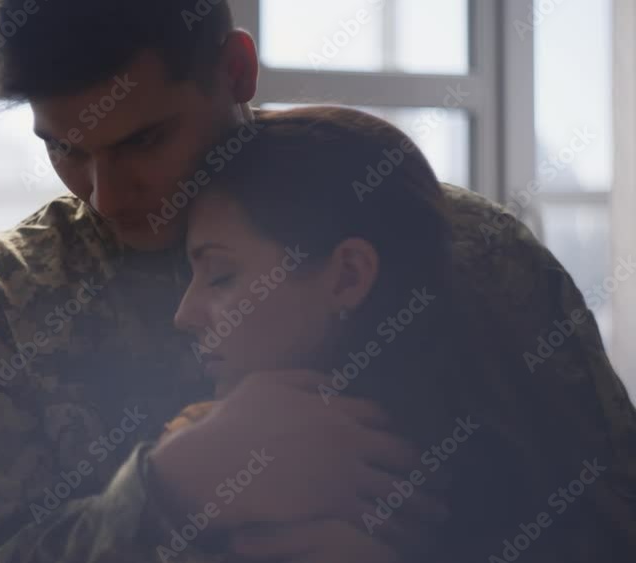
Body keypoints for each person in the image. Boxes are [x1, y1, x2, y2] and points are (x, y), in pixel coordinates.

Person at [0, 1, 636, 562]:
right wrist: (168, 489)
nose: (106, 195)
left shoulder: (473, 250)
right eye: (63, 149)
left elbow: (612, 512)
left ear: (237, 71)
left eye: (143, 140)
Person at [151, 106, 636, 562]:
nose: (184, 315)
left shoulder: (500, 479)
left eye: (219, 275)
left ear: (347, 276)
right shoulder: (198, 452)